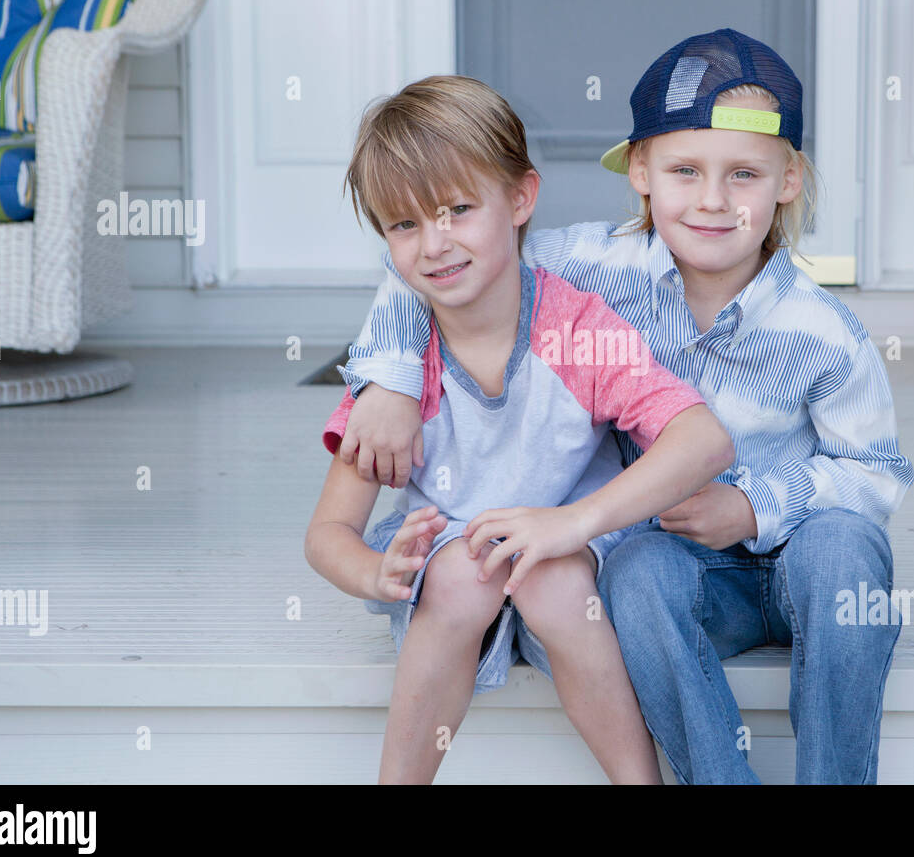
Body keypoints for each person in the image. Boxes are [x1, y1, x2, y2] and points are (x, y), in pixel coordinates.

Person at [333, 30, 914, 784]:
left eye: (743, 174)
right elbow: (441, 260)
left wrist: (753, 506)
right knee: (636, 574)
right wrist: (389, 378)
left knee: (847, 552)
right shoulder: (591, 265)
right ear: (641, 171)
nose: (712, 200)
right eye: (684, 170)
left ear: (787, 180)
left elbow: (877, 475)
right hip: (683, 570)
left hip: (801, 556)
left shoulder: (824, 331)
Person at [304, 74, 734, 784]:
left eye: (457, 210)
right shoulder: (399, 374)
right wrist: (374, 575)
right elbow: (327, 536)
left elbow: (703, 439)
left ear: (520, 199)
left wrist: (571, 524)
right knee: (465, 575)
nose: (435, 244)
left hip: (572, 574)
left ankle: (638, 780)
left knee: (554, 576)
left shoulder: (573, 329)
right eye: (404, 225)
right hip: (453, 583)